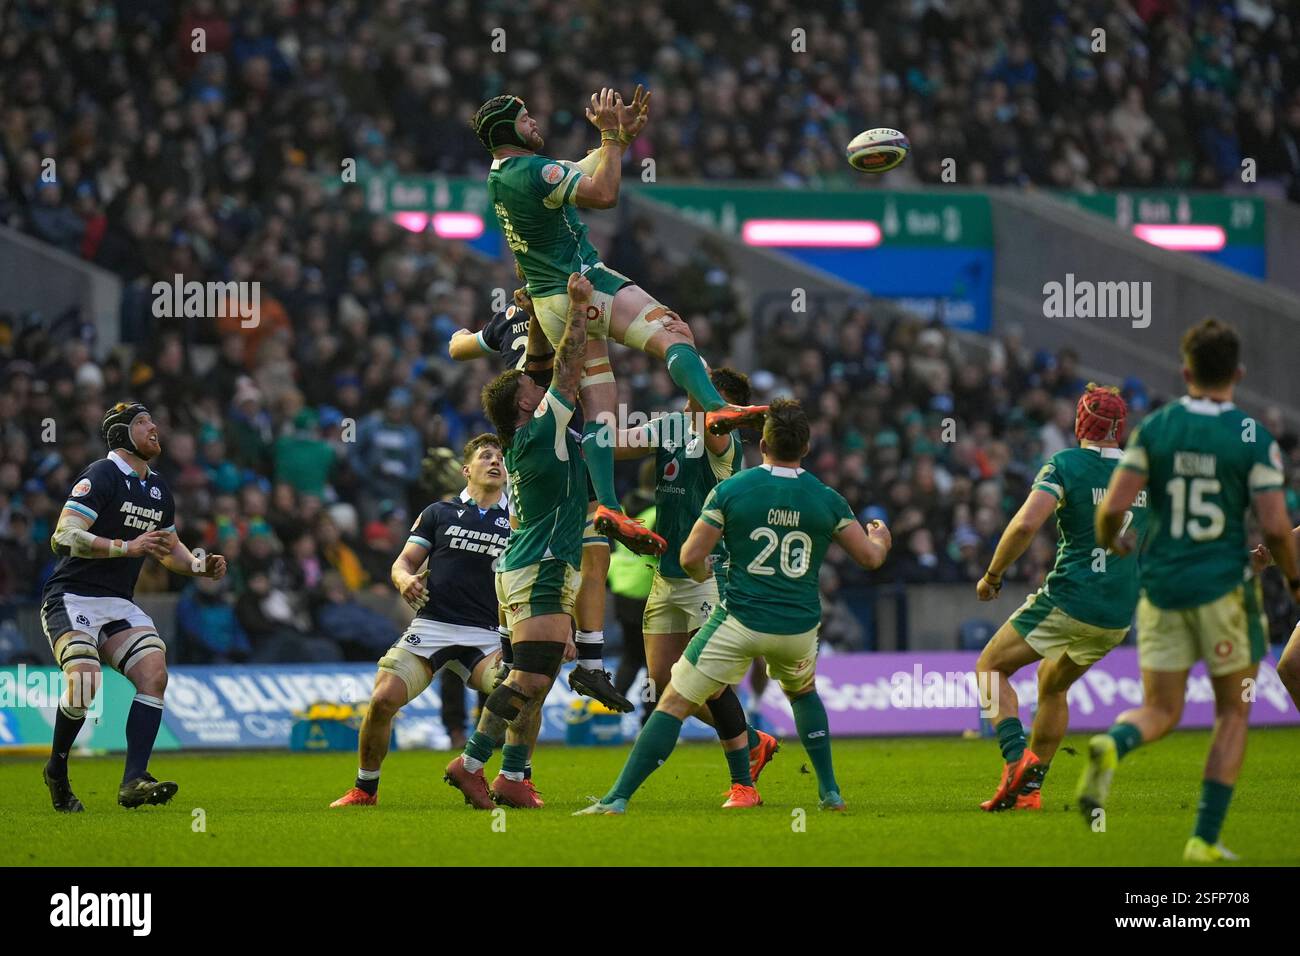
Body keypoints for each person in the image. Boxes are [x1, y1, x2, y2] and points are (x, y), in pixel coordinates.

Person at [470, 88, 769, 556]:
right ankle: (714, 405)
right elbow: (604, 193)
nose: (533, 121)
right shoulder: (530, 169)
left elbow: (574, 173)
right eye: (525, 117)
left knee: (600, 406)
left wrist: (618, 144)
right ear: (508, 129)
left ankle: (608, 505)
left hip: (553, 304)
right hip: (584, 282)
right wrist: (609, 135)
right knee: (674, 332)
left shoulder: (501, 176)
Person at [576, 399, 892, 814]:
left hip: (739, 618)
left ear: (762, 443)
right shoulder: (827, 498)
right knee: (804, 696)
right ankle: (830, 792)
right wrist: (882, 537)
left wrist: (703, 570)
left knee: (671, 701)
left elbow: (690, 557)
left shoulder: (733, 489)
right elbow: (869, 559)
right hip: (797, 627)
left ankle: (617, 799)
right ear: (808, 447)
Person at [1084, 319, 1300, 861]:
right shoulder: (1252, 438)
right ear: (1239, 374)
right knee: (1232, 713)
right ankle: (1203, 838)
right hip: (1224, 592)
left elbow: (1111, 511)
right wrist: (1294, 578)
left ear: (1185, 372)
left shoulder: (1154, 430)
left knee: (1159, 710)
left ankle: (1114, 742)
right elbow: (1275, 526)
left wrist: (1115, 543)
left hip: (1161, 589)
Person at [443, 272, 593, 809]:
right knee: (529, 679)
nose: (537, 378)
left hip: (526, 563)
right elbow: (571, 367)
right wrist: (576, 308)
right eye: (532, 382)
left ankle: (507, 775)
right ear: (523, 403)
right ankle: (470, 764)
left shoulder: (528, 438)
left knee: (533, 676)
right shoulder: (541, 428)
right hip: (542, 563)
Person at [449, 280, 630, 711]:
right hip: (547, 426)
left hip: (542, 433)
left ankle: (536, 652)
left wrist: (459, 339)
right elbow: (550, 363)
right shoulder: (531, 315)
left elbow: (461, 349)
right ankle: (581, 658)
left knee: (552, 541)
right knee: (581, 540)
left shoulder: (520, 314)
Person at [40, 402, 228, 812]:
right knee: (86, 679)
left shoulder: (158, 488)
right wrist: (127, 547)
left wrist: (199, 565)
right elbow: (63, 536)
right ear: (121, 434)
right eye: (143, 422)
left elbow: (168, 548)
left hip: (117, 602)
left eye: (153, 420)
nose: (154, 427)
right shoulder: (101, 475)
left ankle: (133, 780)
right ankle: (57, 767)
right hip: (72, 596)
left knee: (154, 674)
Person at [974, 384, 1147, 811]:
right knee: (1052, 686)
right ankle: (1030, 793)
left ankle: (1016, 761)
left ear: (1078, 423)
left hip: (1072, 597)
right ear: (1121, 429)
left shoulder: (1065, 464)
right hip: (1117, 613)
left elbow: (1024, 526)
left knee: (990, 667)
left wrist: (993, 575)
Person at [614, 366, 780, 786]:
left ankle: (742, 781)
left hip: (707, 574)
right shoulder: (671, 425)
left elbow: (712, 422)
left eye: (709, 392)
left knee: (709, 681)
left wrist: (690, 370)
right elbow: (619, 444)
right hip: (665, 575)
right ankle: (754, 741)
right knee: (664, 679)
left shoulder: (722, 441)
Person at [330, 433, 512, 807]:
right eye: (486, 456)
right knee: (382, 700)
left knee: (516, 692)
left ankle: (509, 777)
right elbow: (403, 563)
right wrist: (404, 580)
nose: (495, 462)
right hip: (432, 627)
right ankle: (365, 789)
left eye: (501, 458)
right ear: (466, 470)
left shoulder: (519, 519)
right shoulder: (438, 513)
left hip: (488, 634)